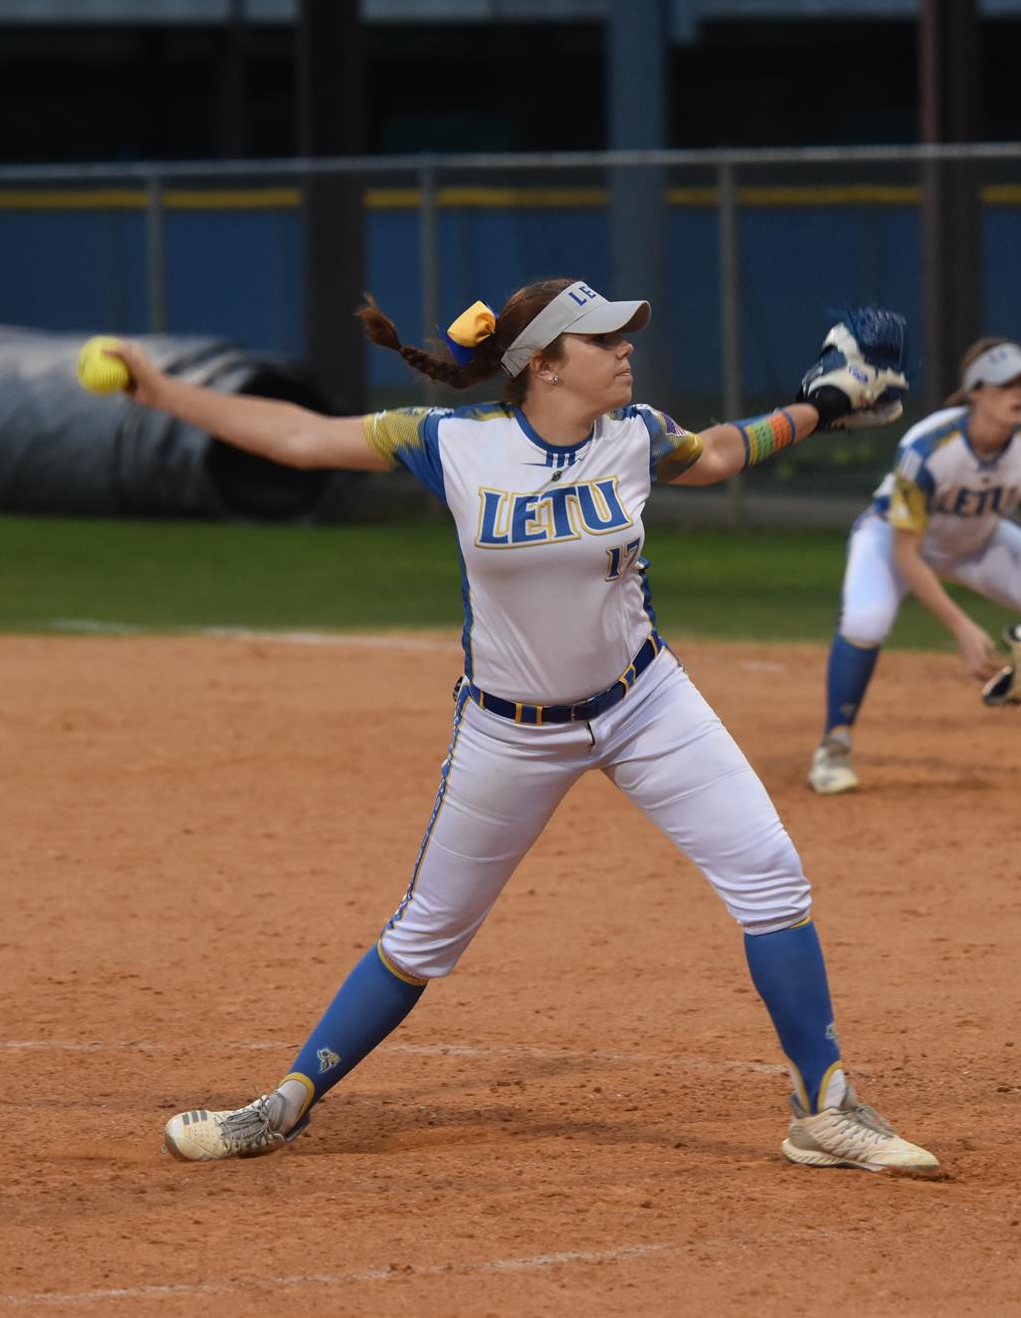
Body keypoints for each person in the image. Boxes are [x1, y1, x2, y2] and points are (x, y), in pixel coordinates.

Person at [97, 277, 938, 1174]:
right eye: (601, 338)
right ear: (543, 364)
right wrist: (164, 392)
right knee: (425, 936)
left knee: (770, 875)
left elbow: (724, 452)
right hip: (509, 730)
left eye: (624, 336)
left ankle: (825, 1107)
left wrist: (818, 405)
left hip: (645, 702)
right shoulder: (451, 444)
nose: (624, 349)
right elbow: (299, 438)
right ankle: (281, 1104)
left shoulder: (637, 433)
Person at [808, 338, 1021, 796]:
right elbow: (906, 552)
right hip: (893, 538)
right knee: (866, 619)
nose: (1019, 393)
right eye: (1004, 384)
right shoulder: (928, 446)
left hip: (980, 541)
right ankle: (833, 747)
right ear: (975, 391)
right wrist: (963, 629)